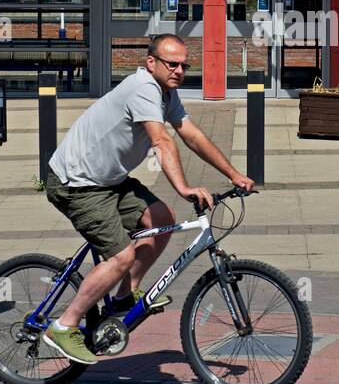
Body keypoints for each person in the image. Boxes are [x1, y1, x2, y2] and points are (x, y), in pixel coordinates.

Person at [42, 34, 254, 363]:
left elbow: (191, 134)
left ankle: (125, 297)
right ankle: (63, 326)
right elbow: (162, 140)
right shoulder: (143, 88)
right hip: (77, 183)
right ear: (151, 62)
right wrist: (185, 188)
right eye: (173, 64)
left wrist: (233, 175)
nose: (180, 70)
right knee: (121, 257)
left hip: (108, 180)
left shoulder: (166, 94)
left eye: (185, 65)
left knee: (162, 218)